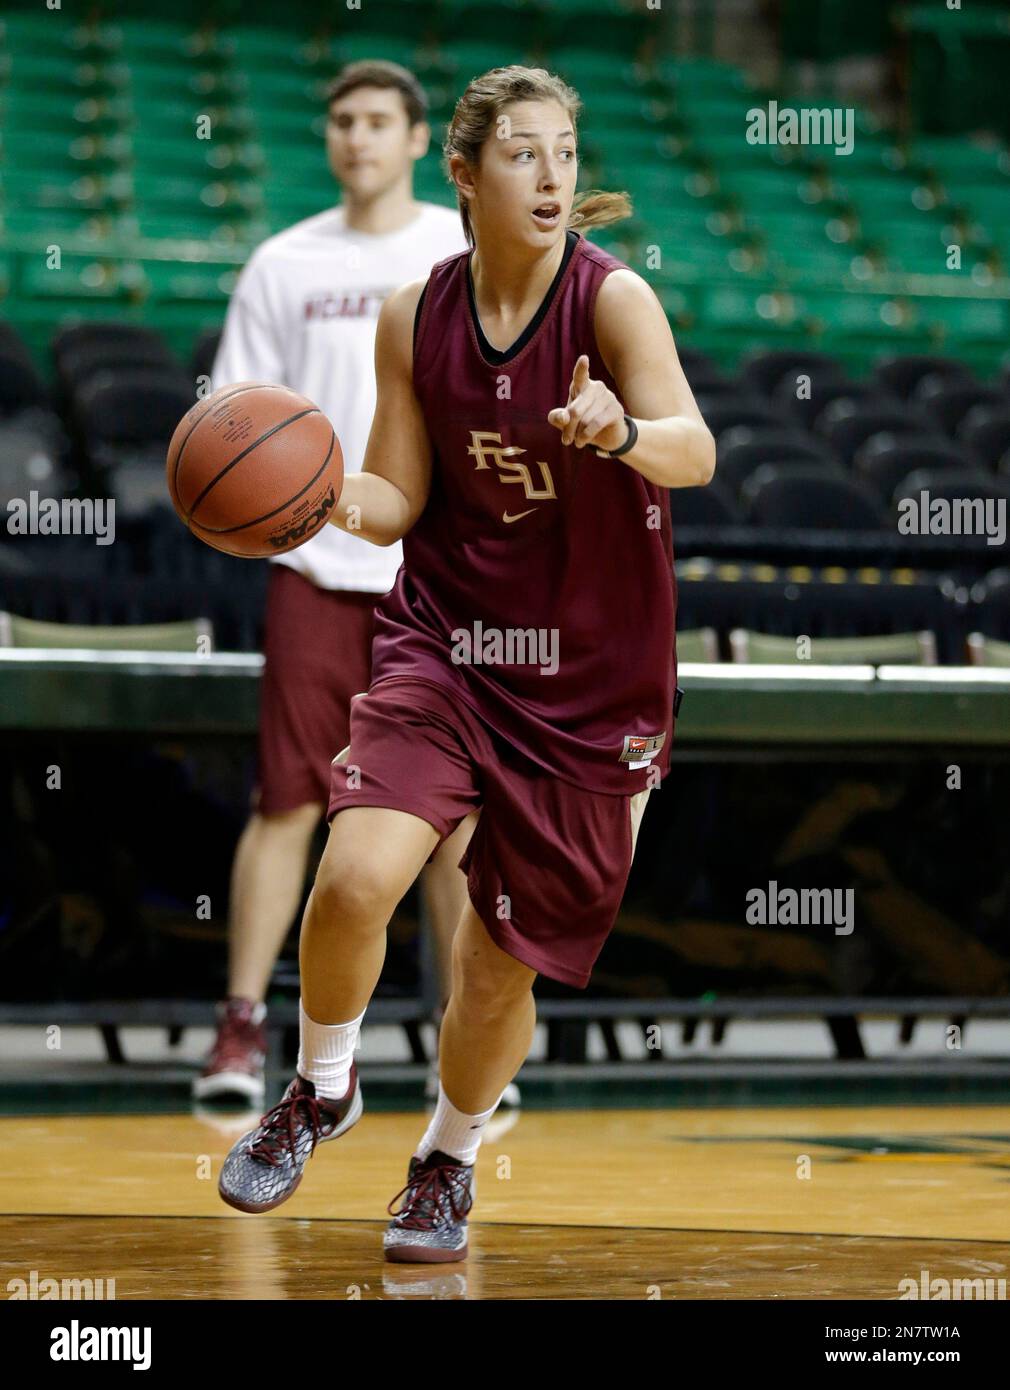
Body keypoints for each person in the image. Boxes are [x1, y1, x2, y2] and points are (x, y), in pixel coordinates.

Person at [217, 65, 715, 1263]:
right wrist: (317, 495)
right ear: (465, 173)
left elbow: (692, 450)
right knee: (353, 875)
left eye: (563, 154)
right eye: (521, 155)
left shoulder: (614, 304)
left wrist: (622, 433)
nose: (550, 177)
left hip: (593, 683)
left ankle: (445, 1158)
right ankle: (319, 1086)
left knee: (496, 968)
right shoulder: (413, 314)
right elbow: (395, 503)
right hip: (449, 641)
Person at [194, 61, 482, 1106]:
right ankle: (240, 1031)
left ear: (416, 141)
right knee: (288, 804)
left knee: (454, 824)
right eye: (341, 122)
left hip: (437, 574)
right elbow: (232, 418)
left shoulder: (457, 255)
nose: (356, 138)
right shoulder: (283, 261)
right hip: (317, 562)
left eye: (377, 121)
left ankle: (467, 1047)